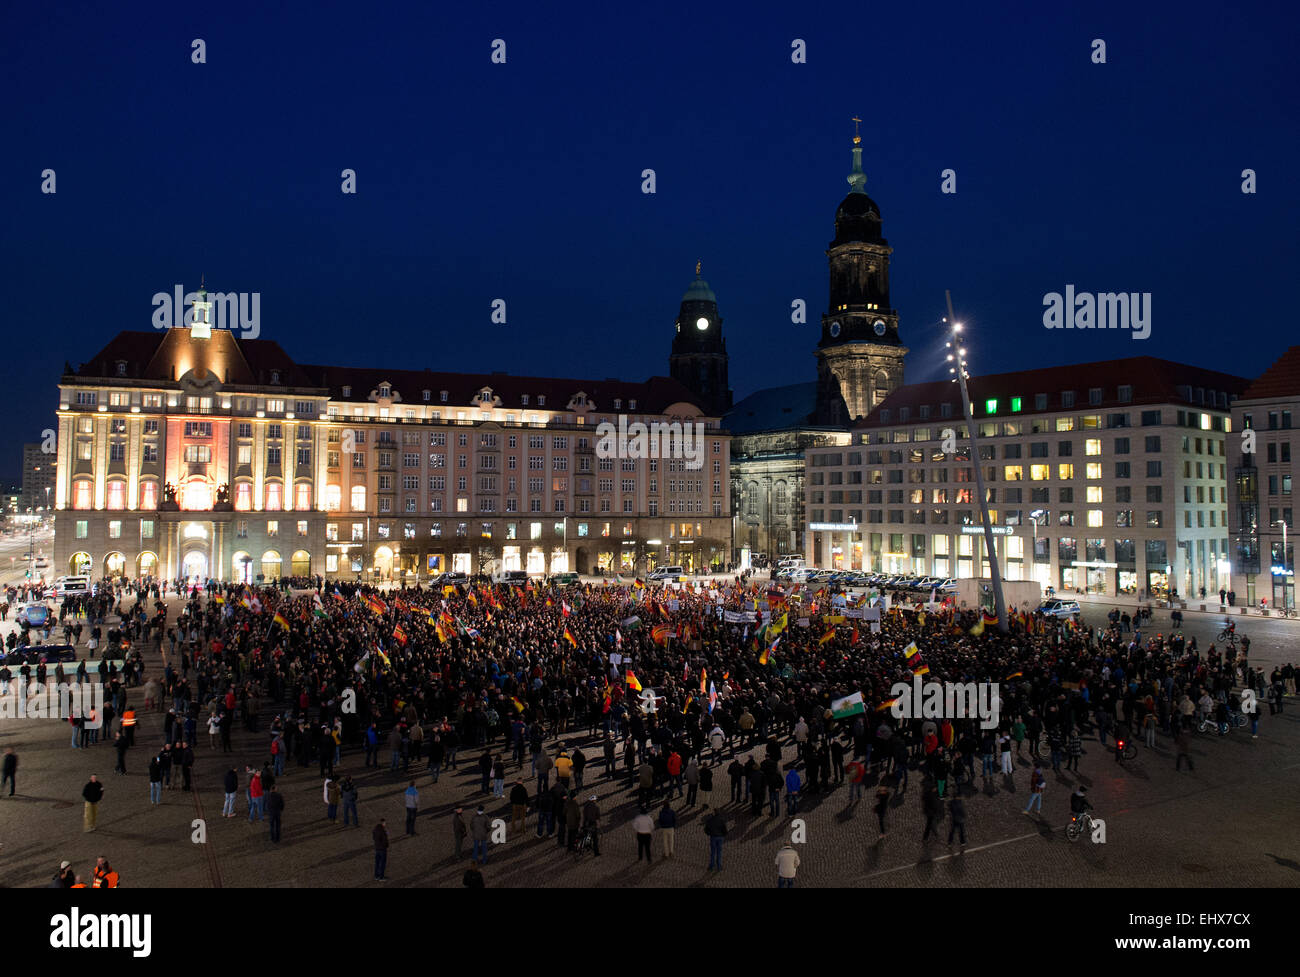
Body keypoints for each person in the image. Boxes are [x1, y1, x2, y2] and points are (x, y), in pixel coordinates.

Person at [704, 806, 727, 870]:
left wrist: (709, 833)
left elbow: (706, 829)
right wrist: (724, 834)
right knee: (719, 852)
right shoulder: (721, 820)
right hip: (720, 837)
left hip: (713, 837)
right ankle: (719, 866)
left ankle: (712, 865)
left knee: (713, 852)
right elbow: (724, 829)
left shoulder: (710, 820)